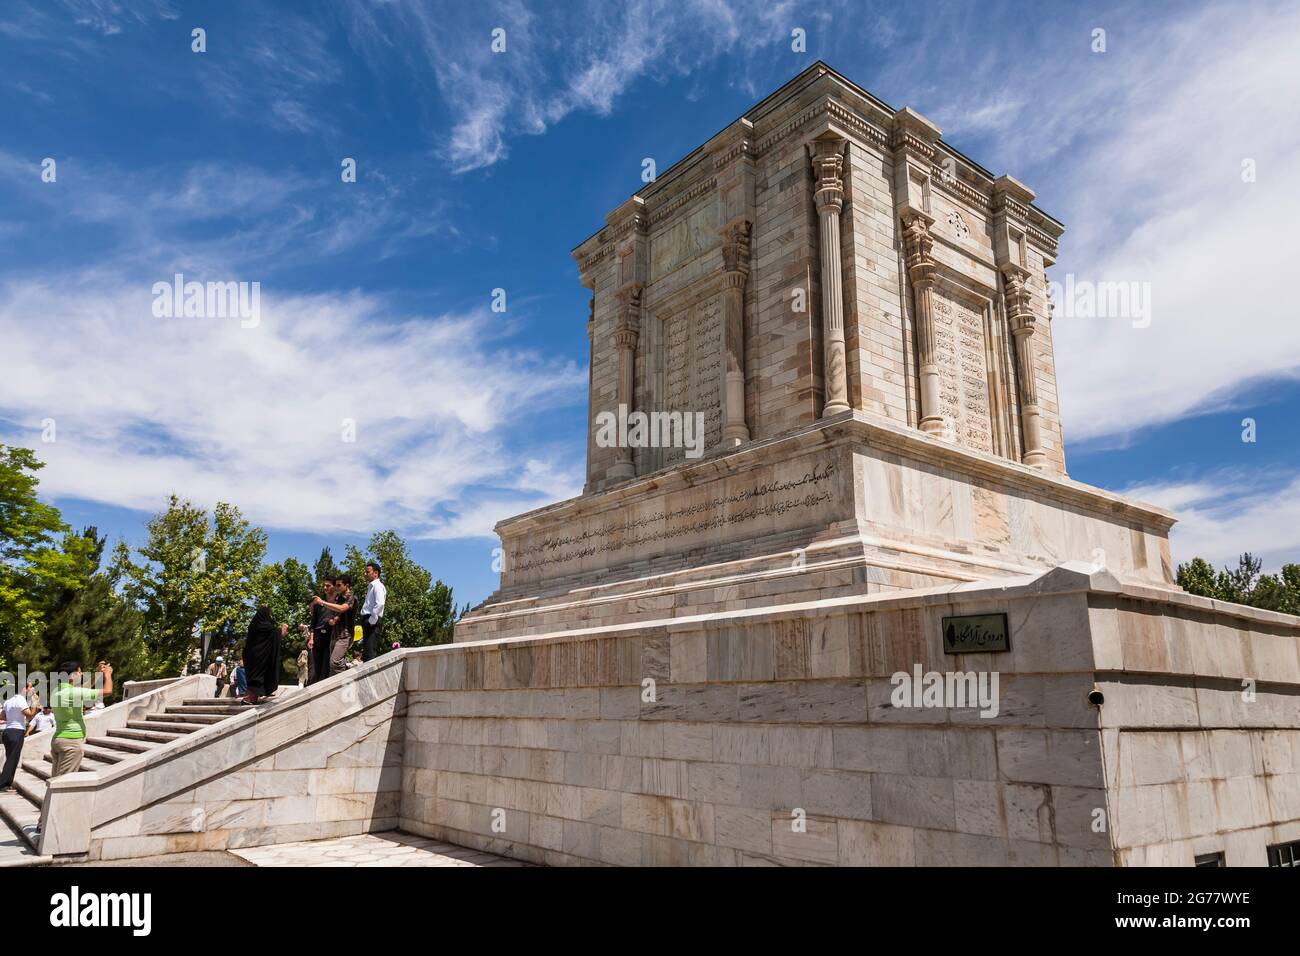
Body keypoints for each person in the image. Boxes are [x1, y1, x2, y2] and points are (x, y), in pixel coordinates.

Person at [50, 661, 112, 777]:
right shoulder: (74, 692)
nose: (82, 674)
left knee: (55, 781)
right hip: (71, 743)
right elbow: (108, 691)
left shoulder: (57, 691)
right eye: (79, 672)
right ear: (72, 675)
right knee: (63, 784)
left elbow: (84, 688)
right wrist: (107, 674)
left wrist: (97, 674)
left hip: (58, 741)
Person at [314, 573, 356, 677]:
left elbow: (342, 608)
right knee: (332, 666)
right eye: (336, 585)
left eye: (339, 585)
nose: (336, 588)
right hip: (334, 634)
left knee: (335, 661)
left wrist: (323, 602)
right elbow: (338, 614)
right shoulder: (339, 598)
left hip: (345, 635)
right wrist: (333, 620)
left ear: (346, 585)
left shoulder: (351, 597)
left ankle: (345, 681)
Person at [242, 608, 285, 704]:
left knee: (255, 677)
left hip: (251, 656)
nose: (270, 617)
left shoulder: (253, 625)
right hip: (259, 658)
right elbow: (279, 634)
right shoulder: (267, 628)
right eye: (269, 615)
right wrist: (283, 628)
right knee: (257, 678)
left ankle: (250, 699)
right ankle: (248, 699)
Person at [0, 683, 38, 790]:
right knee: (12, 759)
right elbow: (30, 714)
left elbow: (2, 716)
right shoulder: (21, 700)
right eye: (31, 687)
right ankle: (2, 783)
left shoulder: (9, 701)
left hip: (7, 732)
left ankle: (7, 784)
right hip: (16, 732)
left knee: (11, 758)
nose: (33, 689)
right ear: (24, 688)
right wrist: (34, 703)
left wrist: (13, 717)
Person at [308, 578, 336, 685]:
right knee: (315, 666)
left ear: (334, 586)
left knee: (327, 665)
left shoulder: (337, 602)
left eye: (328, 586)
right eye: (324, 586)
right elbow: (313, 623)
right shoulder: (318, 604)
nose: (325, 588)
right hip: (318, 636)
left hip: (331, 635)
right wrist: (311, 639)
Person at [359, 561, 387, 663]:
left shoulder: (377, 586)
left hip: (372, 621)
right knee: (366, 652)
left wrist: (371, 621)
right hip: (368, 620)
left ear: (375, 573)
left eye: (367, 572)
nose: (365, 574)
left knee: (370, 653)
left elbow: (380, 604)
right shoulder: (371, 586)